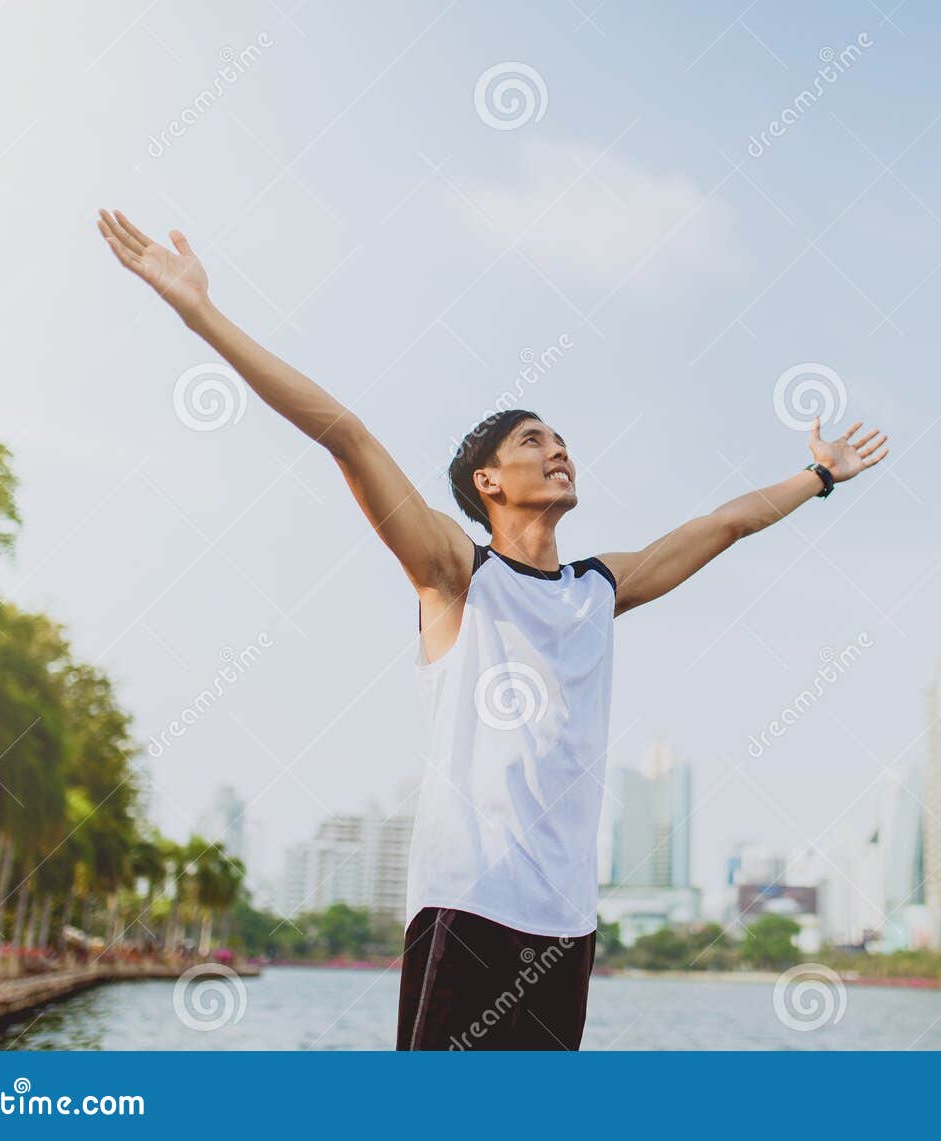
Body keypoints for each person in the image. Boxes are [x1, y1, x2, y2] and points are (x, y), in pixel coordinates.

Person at [97, 209, 889, 1050]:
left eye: (561, 439)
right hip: (468, 905)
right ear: (488, 480)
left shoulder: (598, 588)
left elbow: (724, 523)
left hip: (566, 926)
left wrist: (818, 476)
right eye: (532, 439)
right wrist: (201, 313)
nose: (559, 450)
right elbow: (345, 434)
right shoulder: (456, 574)